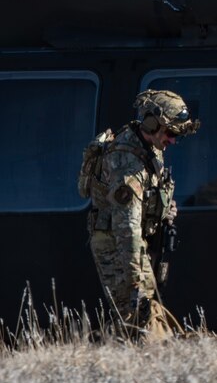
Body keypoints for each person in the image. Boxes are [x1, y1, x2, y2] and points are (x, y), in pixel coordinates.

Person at [82, 89, 199, 335]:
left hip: (134, 241)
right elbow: (127, 229)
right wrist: (137, 281)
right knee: (134, 313)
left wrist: (164, 208)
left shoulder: (149, 148)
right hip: (117, 243)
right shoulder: (127, 164)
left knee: (145, 309)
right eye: (170, 133)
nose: (173, 141)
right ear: (152, 123)